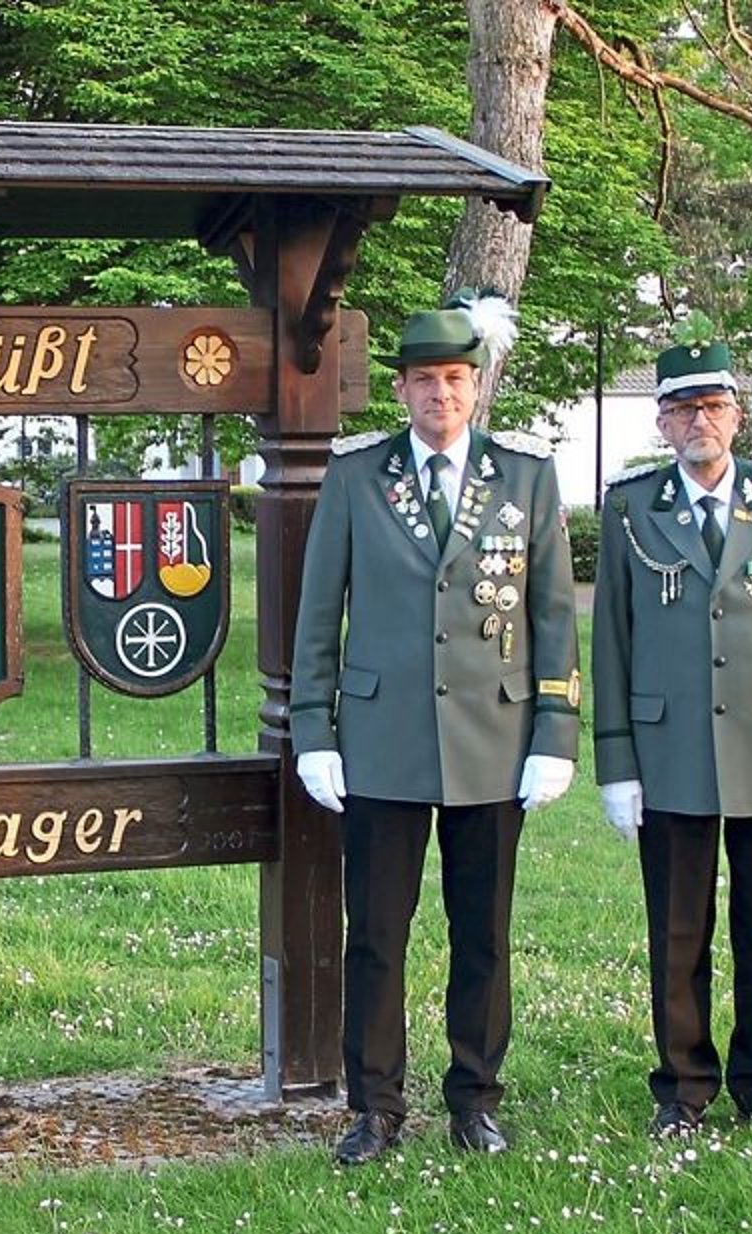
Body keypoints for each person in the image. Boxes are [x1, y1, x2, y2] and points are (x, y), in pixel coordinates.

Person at [290, 298, 580, 1162]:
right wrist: (315, 729)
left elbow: (554, 616)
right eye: (425, 381)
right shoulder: (356, 476)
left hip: (494, 739)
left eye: (456, 379)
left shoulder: (525, 476)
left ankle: (474, 1099)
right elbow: (318, 616)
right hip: (382, 742)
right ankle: (374, 1107)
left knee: (482, 934)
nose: (440, 395)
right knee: (377, 934)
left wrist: (555, 731)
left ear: (477, 385)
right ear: (403, 390)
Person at [592, 329, 752, 1141]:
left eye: (714, 404)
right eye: (682, 407)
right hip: (670, 753)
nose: (700, 419)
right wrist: (617, 763)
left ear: (738, 416)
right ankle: (684, 1086)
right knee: (677, 927)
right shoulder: (631, 508)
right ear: (660, 423)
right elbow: (614, 643)